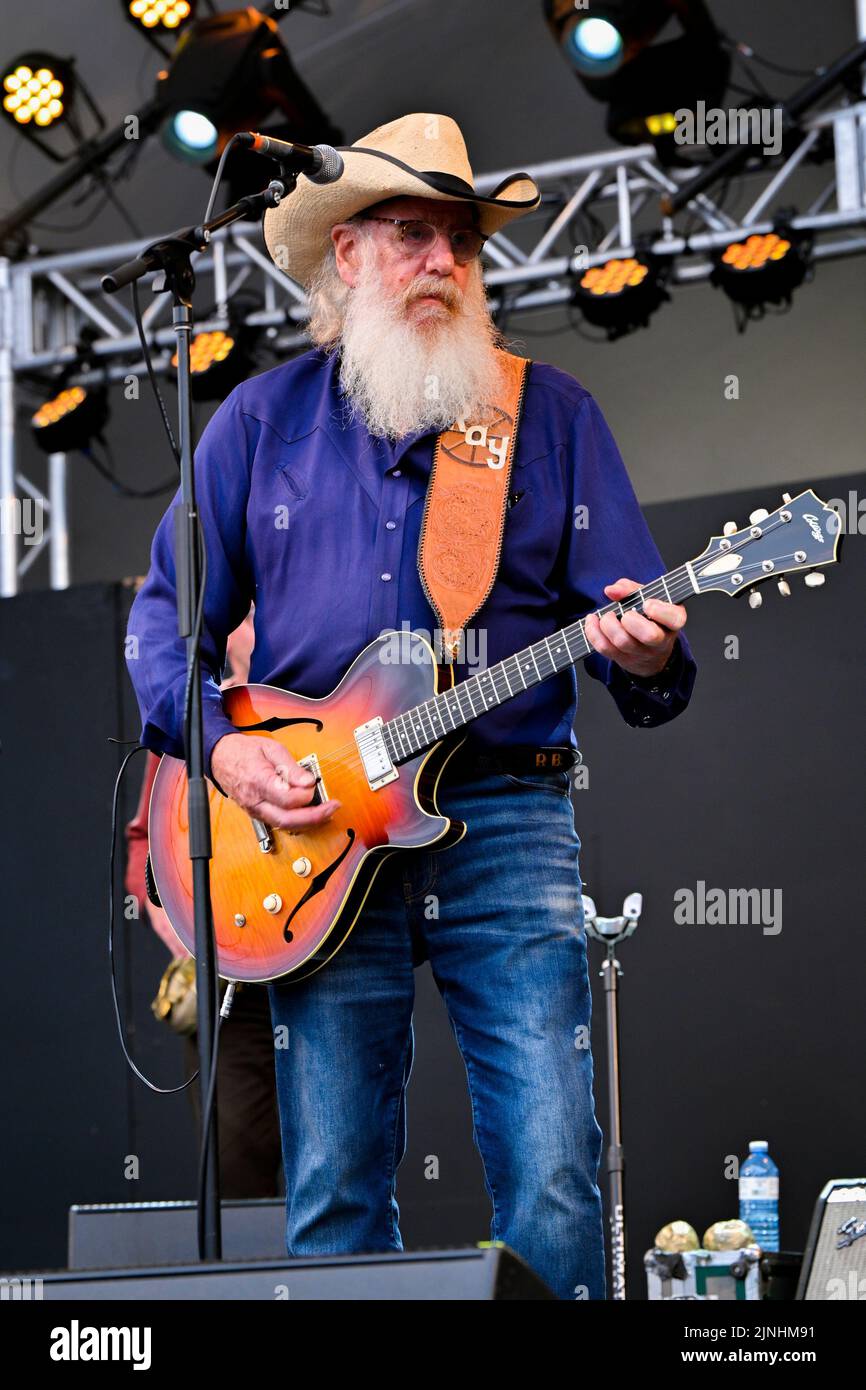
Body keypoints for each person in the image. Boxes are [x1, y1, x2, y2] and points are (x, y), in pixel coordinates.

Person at [125, 112, 696, 1300]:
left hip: (507, 821)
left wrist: (642, 652)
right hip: (313, 834)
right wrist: (226, 757)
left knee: (551, 1165)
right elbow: (164, 623)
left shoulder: (548, 415)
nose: (441, 260)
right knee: (334, 1183)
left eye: (459, 240)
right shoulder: (256, 425)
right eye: (410, 234)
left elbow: (632, 640)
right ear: (346, 256)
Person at [125, 605, 282, 1199]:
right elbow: (146, 847)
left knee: (340, 1168)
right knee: (237, 1170)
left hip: (324, 949)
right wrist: (186, 932)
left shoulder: (319, 691)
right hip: (228, 982)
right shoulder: (189, 716)